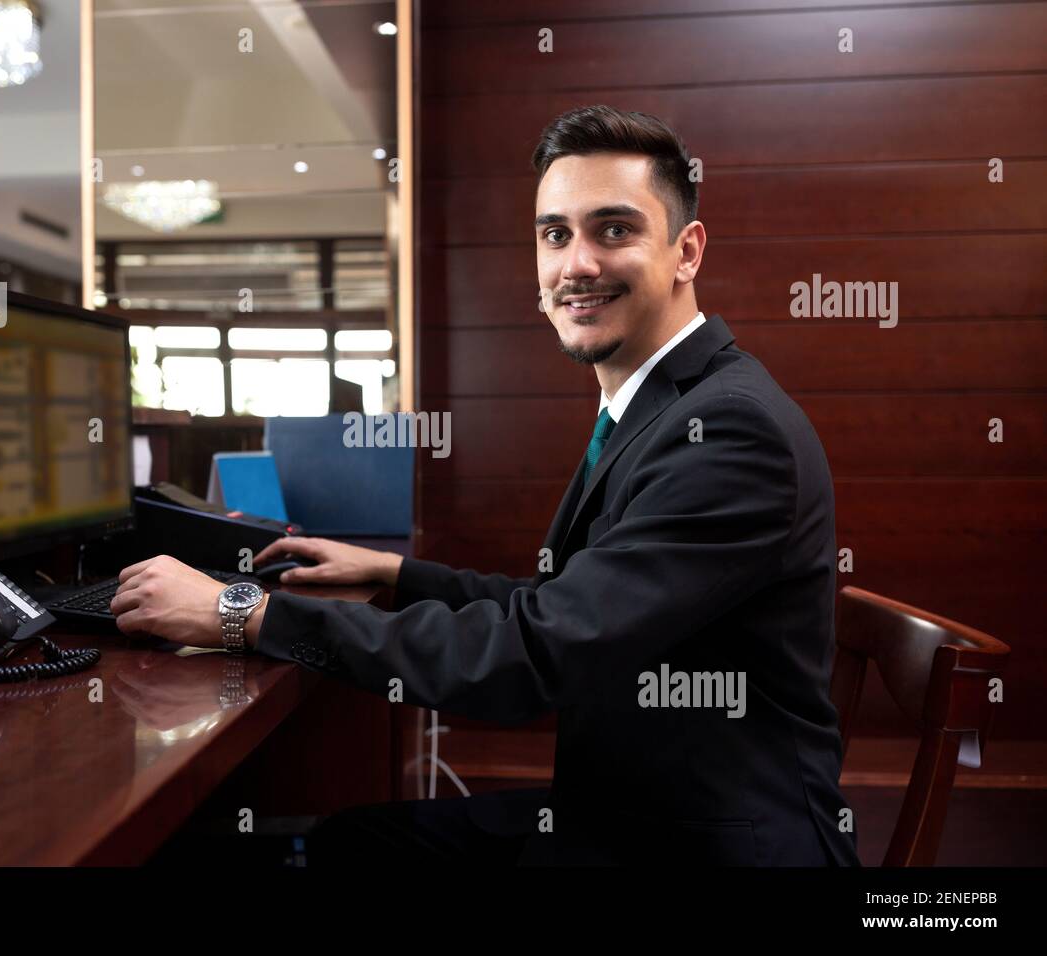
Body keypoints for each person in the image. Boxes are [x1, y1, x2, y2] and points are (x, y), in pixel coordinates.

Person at [111, 105, 860, 867]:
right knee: (348, 840)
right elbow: (570, 607)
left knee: (342, 849)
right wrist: (396, 574)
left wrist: (241, 611)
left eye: (614, 230)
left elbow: (537, 656)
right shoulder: (667, 404)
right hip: (647, 812)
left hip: (708, 843)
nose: (577, 264)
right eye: (555, 234)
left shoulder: (730, 434)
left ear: (686, 250)